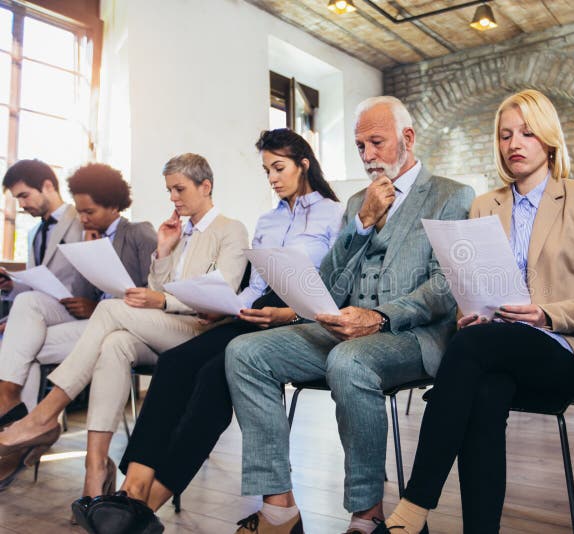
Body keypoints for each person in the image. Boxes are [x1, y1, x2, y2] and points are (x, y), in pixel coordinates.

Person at [225, 96, 474, 534]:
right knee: (244, 353)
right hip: (346, 331)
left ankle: (367, 516)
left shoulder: (452, 195)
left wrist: (378, 317)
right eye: (360, 146)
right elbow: (330, 285)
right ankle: (279, 509)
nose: (368, 156)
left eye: (377, 143)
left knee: (348, 361)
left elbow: (445, 287)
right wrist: (360, 225)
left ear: (407, 138)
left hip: (412, 336)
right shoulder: (356, 201)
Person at [376, 89, 574, 534]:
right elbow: (471, 288)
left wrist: (545, 314)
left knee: (472, 353)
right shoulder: (484, 204)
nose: (514, 144)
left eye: (527, 133)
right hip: (491, 346)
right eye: (506, 135)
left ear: (548, 140)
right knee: (484, 391)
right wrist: (468, 314)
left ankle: (414, 506)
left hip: (564, 349)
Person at [80, 129, 344, 533]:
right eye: (266, 170)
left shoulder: (334, 215)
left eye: (279, 167)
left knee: (212, 378)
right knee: (174, 364)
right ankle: (132, 490)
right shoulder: (268, 219)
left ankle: (149, 505)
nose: (272, 178)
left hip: (297, 317)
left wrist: (285, 314)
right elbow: (255, 286)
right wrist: (229, 308)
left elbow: (334, 286)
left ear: (303, 164)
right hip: (253, 312)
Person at [0, 153, 249, 504]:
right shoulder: (179, 231)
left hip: (199, 333)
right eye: (169, 191)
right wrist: (163, 252)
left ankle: (44, 414)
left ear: (205, 186)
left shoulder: (231, 229)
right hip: (167, 329)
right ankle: (95, 470)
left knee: (109, 309)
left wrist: (161, 301)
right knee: (115, 344)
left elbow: (219, 294)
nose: (173, 198)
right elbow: (156, 287)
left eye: (179, 189)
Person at [0, 163, 157, 487]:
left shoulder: (132, 230)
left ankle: (23, 427)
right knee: (25, 316)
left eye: (89, 211)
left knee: (25, 344)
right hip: (76, 321)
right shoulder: (72, 233)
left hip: (119, 326)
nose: (83, 217)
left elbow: (155, 289)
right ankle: (18, 416)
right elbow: (75, 290)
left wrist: (95, 304)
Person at [0, 159, 94, 302]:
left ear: (48, 186)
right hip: (40, 310)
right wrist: (11, 285)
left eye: (24, 196)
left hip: (75, 311)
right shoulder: (32, 234)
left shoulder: (83, 222)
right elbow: (35, 289)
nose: (21, 205)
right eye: (17, 199)